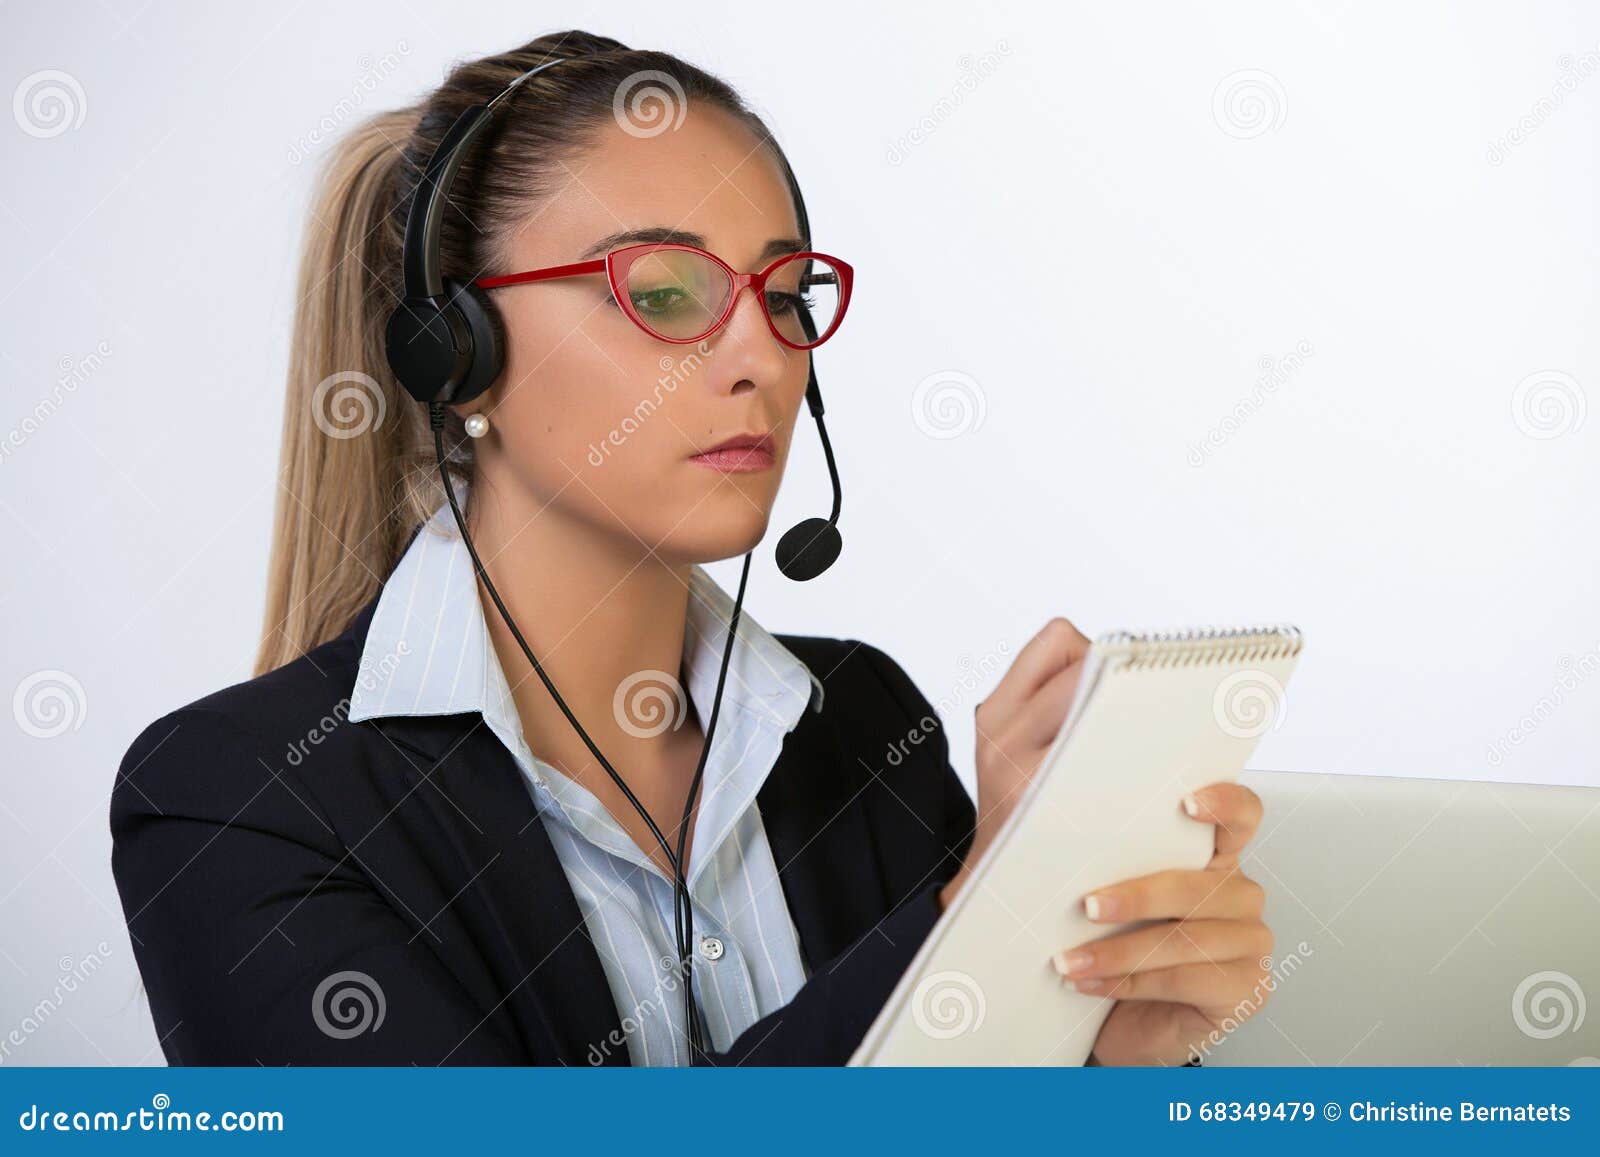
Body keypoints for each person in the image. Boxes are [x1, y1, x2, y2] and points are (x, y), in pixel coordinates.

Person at [109, 29, 1272, 1066]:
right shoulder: (231, 801)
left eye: (785, 294)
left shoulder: (862, 721)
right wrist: (966, 934)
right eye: (663, 293)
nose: (759, 356)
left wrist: (1104, 1062)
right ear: (453, 353)